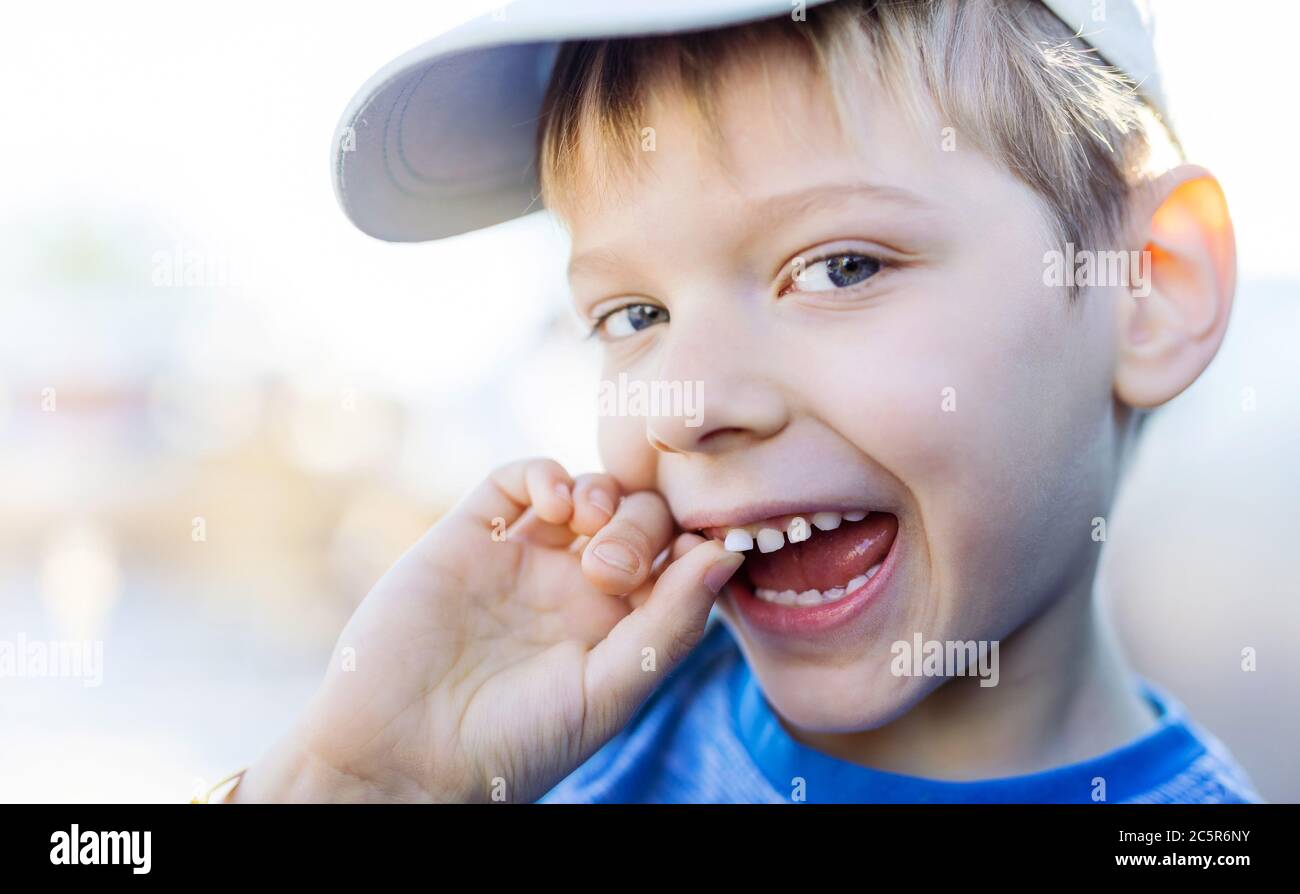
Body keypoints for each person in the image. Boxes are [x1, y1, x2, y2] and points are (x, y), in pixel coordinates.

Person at [224, 0, 1260, 804]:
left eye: (841, 266)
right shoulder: (539, 746)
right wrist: (354, 782)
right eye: (633, 315)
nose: (687, 404)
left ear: (1149, 286)